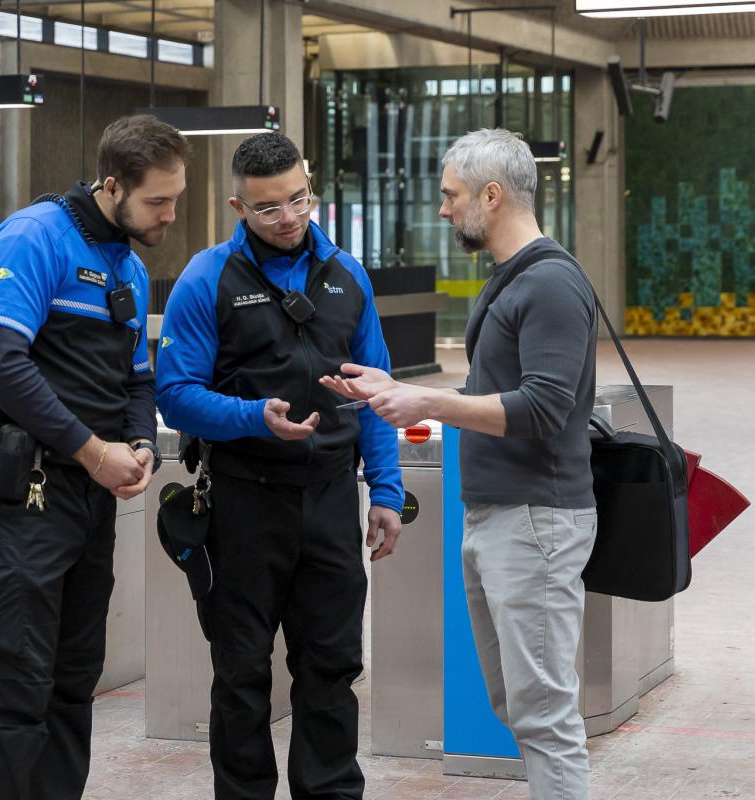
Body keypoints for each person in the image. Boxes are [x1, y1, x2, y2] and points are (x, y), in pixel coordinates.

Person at [322, 128, 599, 800]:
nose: (443, 210)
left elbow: (544, 408)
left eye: (451, 196)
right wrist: (387, 394)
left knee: (546, 715)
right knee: (519, 707)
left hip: (535, 520)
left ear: (492, 194)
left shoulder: (553, 284)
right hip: (498, 516)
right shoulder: (511, 280)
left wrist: (426, 400)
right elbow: (502, 394)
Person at [155, 132, 403, 800]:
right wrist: (248, 416)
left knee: (331, 668)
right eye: (269, 209)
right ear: (238, 205)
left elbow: (377, 390)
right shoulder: (207, 280)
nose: (289, 217)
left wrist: (385, 488)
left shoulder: (348, 276)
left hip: (327, 501)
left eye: (300, 199)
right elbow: (174, 395)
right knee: (240, 675)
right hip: (242, 503)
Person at [0, 114, 190, 799]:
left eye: (175, 198)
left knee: (73, 675)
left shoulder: (132, 267)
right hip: (17, 494)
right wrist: (92, 452)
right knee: (16, 677)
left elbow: (135, 376)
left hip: (86, 501)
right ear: (111, 185)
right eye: (157, 201)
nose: (170, 214)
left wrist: (140, 440)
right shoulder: (34, 239)